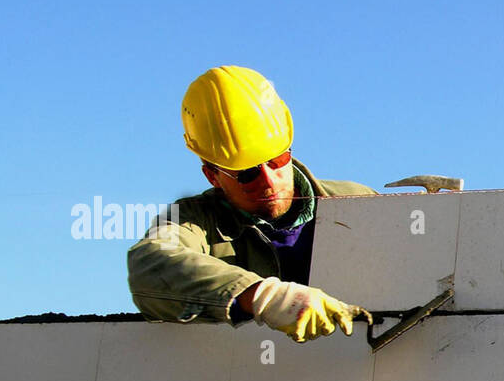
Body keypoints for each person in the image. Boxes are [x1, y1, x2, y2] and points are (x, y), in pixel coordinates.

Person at [127, 65, 375, 342]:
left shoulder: (359, 203)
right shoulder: (193, 220)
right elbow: (150, 266)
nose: (268, 180)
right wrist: (260, 295)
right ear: (213, 176)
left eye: (277, 160)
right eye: (247, 173)